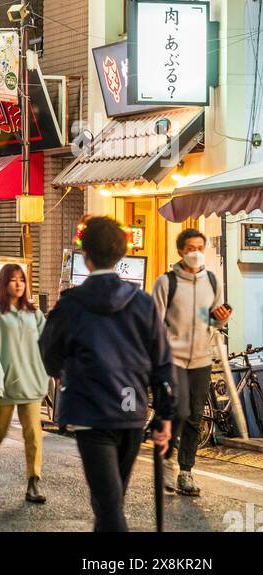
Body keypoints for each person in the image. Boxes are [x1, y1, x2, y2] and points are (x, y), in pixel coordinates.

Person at [40, 216, 175, 533]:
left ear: (85, 256)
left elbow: (47, 348)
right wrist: (165, 415)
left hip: (90, 411)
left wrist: (59, 371)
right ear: (122, 255)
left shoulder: (71, 304)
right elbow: (162, 361)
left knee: (109, 505)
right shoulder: (142, 303)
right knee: (111, 502)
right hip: (131, 411)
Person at [152, 229, 231, 497]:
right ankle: (166, 461)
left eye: (200, 246)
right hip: (173, 359)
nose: (196, 252)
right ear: (180, 251)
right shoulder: (166, 282)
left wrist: (221, 318)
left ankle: (186, 471)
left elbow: (215, 319)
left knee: (195, 417)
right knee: (179, 411)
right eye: (190, 247)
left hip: (201, 359)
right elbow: (154, 324)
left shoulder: (212, 281)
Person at [0, 263, 48, 504]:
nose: (18, 284)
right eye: (13, 280)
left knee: (34, 435)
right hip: (3, 385)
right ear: (4, 283)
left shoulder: (34, 314)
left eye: (22, 280)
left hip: (31, 383)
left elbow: (46, 347)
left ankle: (33, 482)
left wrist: (46, 375)